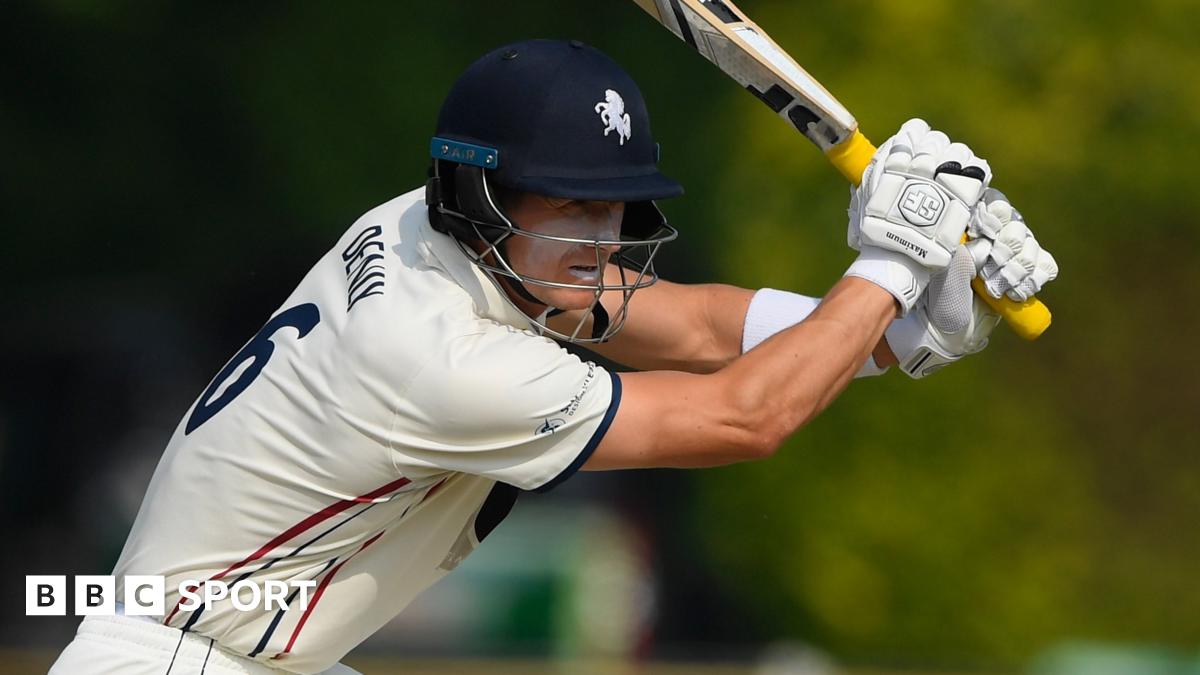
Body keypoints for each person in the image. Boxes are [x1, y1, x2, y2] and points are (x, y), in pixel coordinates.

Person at [50, 38, 1057, 674]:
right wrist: (887, 263)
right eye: (570, 202)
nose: (602, 234)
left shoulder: (436, 236)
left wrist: (906, 323)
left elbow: (703, 330)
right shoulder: (433, 356)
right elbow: (744, 417)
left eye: (612, 202)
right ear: (480, 194)